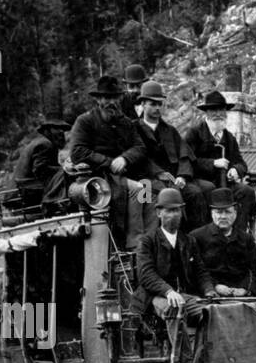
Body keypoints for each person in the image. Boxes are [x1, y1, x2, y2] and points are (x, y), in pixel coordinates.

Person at [68, 75, 151, 249]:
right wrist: (109, 162)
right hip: (96, 178)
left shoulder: (125, 123)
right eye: (106, 98)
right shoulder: (85, 121)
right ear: (98, 99)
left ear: (120, 98)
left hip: (121, 175)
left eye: (114, 98)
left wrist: (124, 158)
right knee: (138, 190)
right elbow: (77, 152)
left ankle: (149, 244)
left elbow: (140, 147)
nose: (110, 102)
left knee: (153, 192)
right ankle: (134, 246)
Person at [132, 80, 207, 228]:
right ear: (143, 104)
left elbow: (184, 155)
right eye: (152, 104)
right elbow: (137, 157)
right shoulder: (133, 129)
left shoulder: (170, 130)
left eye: (160, 104)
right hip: (146, 178)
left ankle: (196, 238)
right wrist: (158, 173)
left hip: (174, 178)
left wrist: (182, 176)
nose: (157, 108)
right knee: (157, 198)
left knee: (196, 193)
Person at [135, 188, 217, 320]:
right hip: (154, 297)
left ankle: (200, 341)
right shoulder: (147, 241)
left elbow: (200, 271)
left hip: (184, 296)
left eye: (177, 210)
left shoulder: (189, 241)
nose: (173, 215)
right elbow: (146, 274)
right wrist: (168, 291)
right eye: (169, 211)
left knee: (210, 311)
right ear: (158, 213)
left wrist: (209, 290)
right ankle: (177, 341)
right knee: (173, 309)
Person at [184, 90, 250, 214]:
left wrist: (235, 170)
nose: (218, 114)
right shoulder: (194, 133)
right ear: (207, 113)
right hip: (199, 181)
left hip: (225, 183)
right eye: (214, 110)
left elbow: (241, 164)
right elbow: (188, 162)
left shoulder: (229, 138)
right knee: (210, 190)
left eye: (222, 110)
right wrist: (213, 163)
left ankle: (238, 231)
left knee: (245, 191)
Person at [190, 187, 256, 297]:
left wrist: (245, 289)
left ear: (235, 213)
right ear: (212, 213)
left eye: (228, 212)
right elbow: (195, 271)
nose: (223, 216)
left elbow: (254, 271)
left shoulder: (246, 239)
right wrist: (214, 286)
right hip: (210, 295)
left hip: (241, 295)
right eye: (219, 212)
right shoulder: (197, 237)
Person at [13, 117, 71, 207]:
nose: (61, 132)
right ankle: (54, 204)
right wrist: (66, 169)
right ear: (46, 130)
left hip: (25, 186)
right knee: (65, 173)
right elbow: (40, 170)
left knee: (63, 172)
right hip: (28, 188)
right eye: (56, 128)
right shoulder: (44, 144)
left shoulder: (42, 142)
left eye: (62, 129)